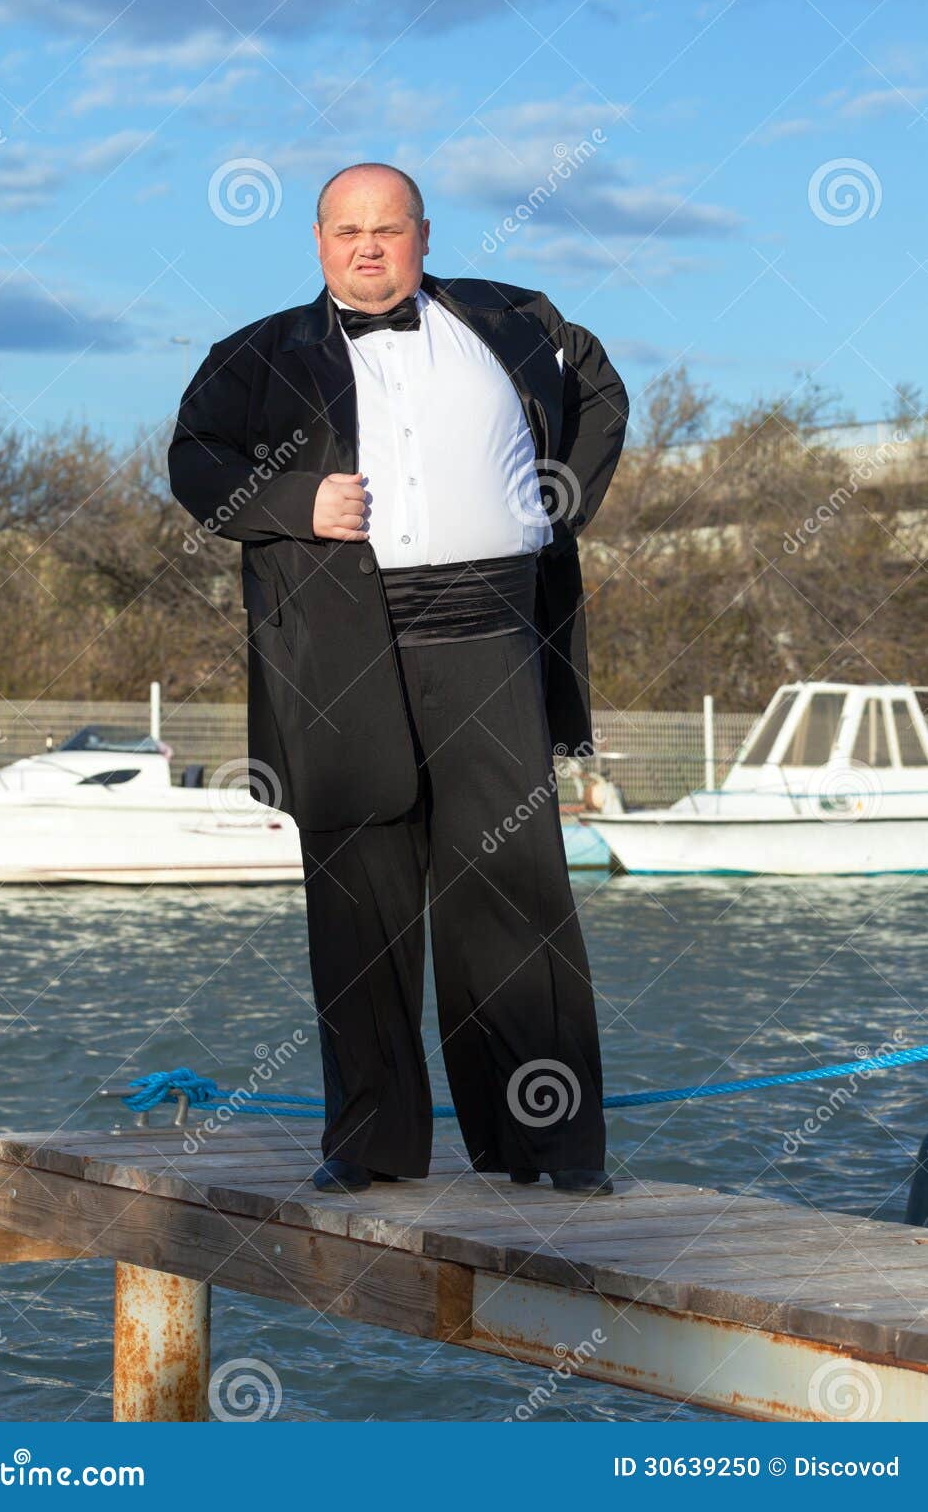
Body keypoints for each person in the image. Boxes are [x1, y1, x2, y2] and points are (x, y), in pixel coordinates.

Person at [167, 163, 628, 1195]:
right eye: (347, 231)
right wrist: (293, 502)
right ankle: (369, 1144)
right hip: (341, 646)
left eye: (387, 228)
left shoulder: (514, 318)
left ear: (423, 234)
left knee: (513, 891)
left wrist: (556, 499)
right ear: (318, 242)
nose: (367, 247)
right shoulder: (254, 354)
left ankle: (548, 1144)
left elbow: (599, 389)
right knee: (357, 901)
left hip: (492, 630)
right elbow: (193, 462)